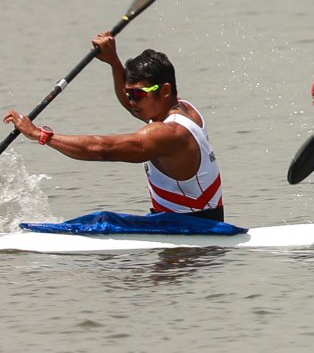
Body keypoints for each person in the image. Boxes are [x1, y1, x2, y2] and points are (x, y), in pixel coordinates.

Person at [3, 38, 222, 218]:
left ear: (164, 90)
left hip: (191, 232)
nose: (132, 102)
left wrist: (39, 134)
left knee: (101, 220)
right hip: (188, 224)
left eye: (138, 94)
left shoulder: (169, 133)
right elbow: (134, 106)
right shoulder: (184, 109)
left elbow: (101, 149)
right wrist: (113, 61)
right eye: (129, 94)